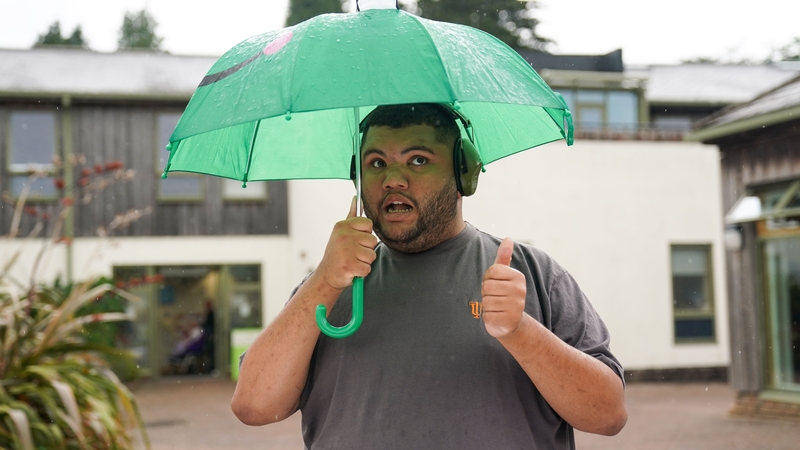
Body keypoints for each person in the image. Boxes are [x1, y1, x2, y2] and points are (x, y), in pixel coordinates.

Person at [231, 103, 627, 448]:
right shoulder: (328, 288)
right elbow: (254, 405)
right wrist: (323, 280)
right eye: (376, 163)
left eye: (418, 160)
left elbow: (607, 416)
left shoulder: (531, 275)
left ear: (463, 174)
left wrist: (520, 331)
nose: (393, 179)